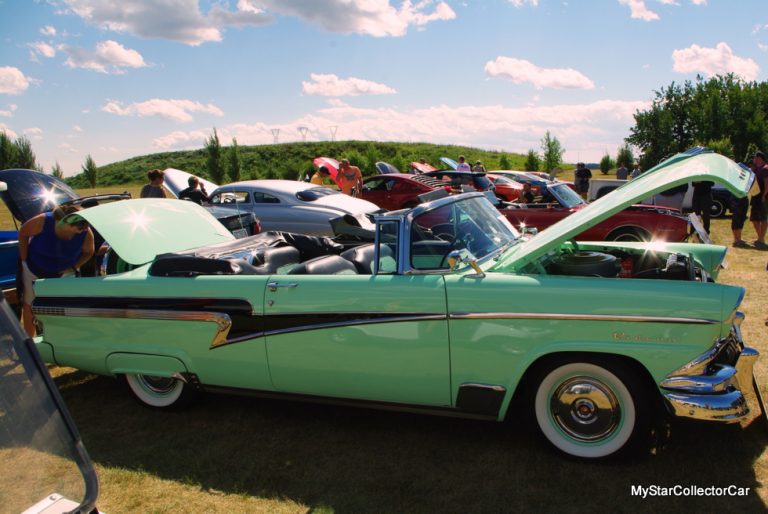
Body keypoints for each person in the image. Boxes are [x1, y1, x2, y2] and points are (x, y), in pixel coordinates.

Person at [17, 205, 95, 336]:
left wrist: (74, 267)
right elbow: (23, 233)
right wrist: (24, 260)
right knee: (30, 306)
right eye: (79, 228)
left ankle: (61, 338)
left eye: (85, 228)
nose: (82, 231)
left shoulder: (86, 233)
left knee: (63, 308)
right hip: (34, 269)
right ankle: (30, 342)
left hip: (63, 274)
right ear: (66, 222)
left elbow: (89, 252)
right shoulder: (42, 221)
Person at [731, 161, 752, 248]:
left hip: (743, 198)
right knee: (736, 218)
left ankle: (739, 238)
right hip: (736, 198)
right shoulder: (734, 176)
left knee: (742, 218)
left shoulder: (745, 176)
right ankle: (736, 239)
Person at [750, 151, 768, 249]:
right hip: (755, 196)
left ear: (760, 158)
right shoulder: (757, 169)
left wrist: (764, 195)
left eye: (755, 158)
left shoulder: (765, 169)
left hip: (763, 197)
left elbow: (767, 183)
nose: (754, 160)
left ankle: (761, 239)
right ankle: (760, 238)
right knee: (754, 218)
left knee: (763, 218)